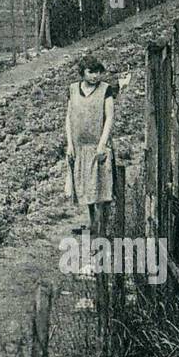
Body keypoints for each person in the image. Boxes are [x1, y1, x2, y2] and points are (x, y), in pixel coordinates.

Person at [65, 54, 117, 237]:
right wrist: (70, 144)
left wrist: (102, 144)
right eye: (91, 72)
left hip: (97, 147)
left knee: (101, 192)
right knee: (85, 189)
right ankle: (92, 223)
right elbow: (69, 118)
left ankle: (100, 231)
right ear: (82, 73)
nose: (95, 76)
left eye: (98, 72)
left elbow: (109, 117)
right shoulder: (72, 90)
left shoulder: (105, 90)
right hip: (80, 148)